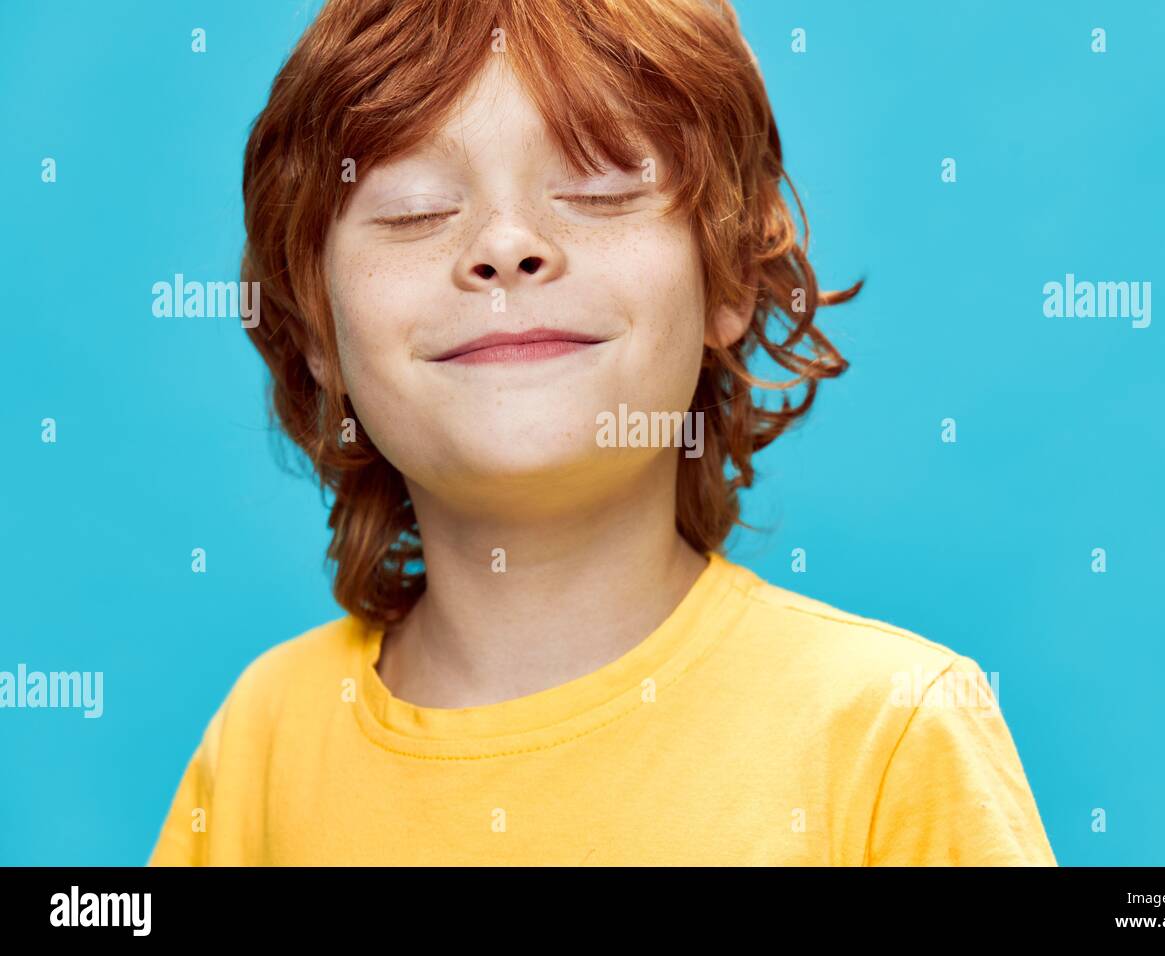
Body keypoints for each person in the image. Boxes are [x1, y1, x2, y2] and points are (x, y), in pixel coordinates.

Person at [148, 0, 1056, 866]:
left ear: (728, 281)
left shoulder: (891, 729)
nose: (506, 247)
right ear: (316, 333)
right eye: (417, 209)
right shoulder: (264, 735)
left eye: (599, 186)